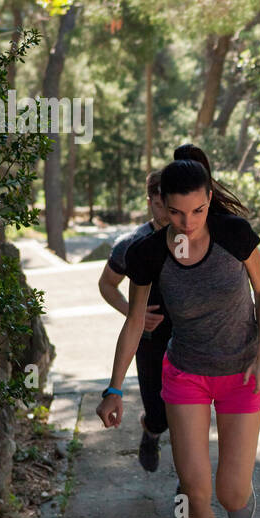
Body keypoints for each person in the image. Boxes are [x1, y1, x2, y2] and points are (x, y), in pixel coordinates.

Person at [96, 145, 260, 518]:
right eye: (176, 212)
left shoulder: (234, 234)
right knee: (194, 487)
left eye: (197, 210)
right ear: (161, 205)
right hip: (186, 375)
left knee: (229, 492)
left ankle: (241, 494)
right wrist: (114, 388)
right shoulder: (146, 254)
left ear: (209, 197)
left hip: (240, 371)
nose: (188, 222)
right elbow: (134, 321)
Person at [97, 171, 170, 472]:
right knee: (159, 413)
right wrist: (132, 311)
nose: (165, 210)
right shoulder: (131, 244)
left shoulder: (193, 239)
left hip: (187, 340)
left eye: (170, 202)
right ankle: (150, 430)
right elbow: (106, 284)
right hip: (149, 340)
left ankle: (189, 483)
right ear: (150, 201)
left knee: (187, 415)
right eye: (159, 203)